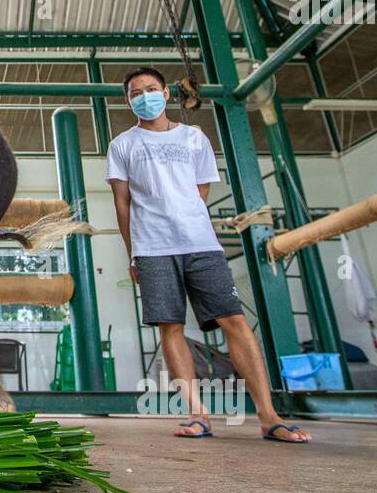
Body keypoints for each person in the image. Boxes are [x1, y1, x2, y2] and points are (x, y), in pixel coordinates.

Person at [106, 66, 310, 444]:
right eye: (135, 93)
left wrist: (185, 220)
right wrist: (133, 254)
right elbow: (123, 204)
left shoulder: (194, 137)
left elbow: (201, 191)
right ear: (128, 101)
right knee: (171, 327)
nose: (144, 97)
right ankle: (198, 414)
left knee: (234, 321)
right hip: (152, 250)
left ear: (165, 94)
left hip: (201, 245)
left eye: (151, 89)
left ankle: (268, 415)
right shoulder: (123, 145)